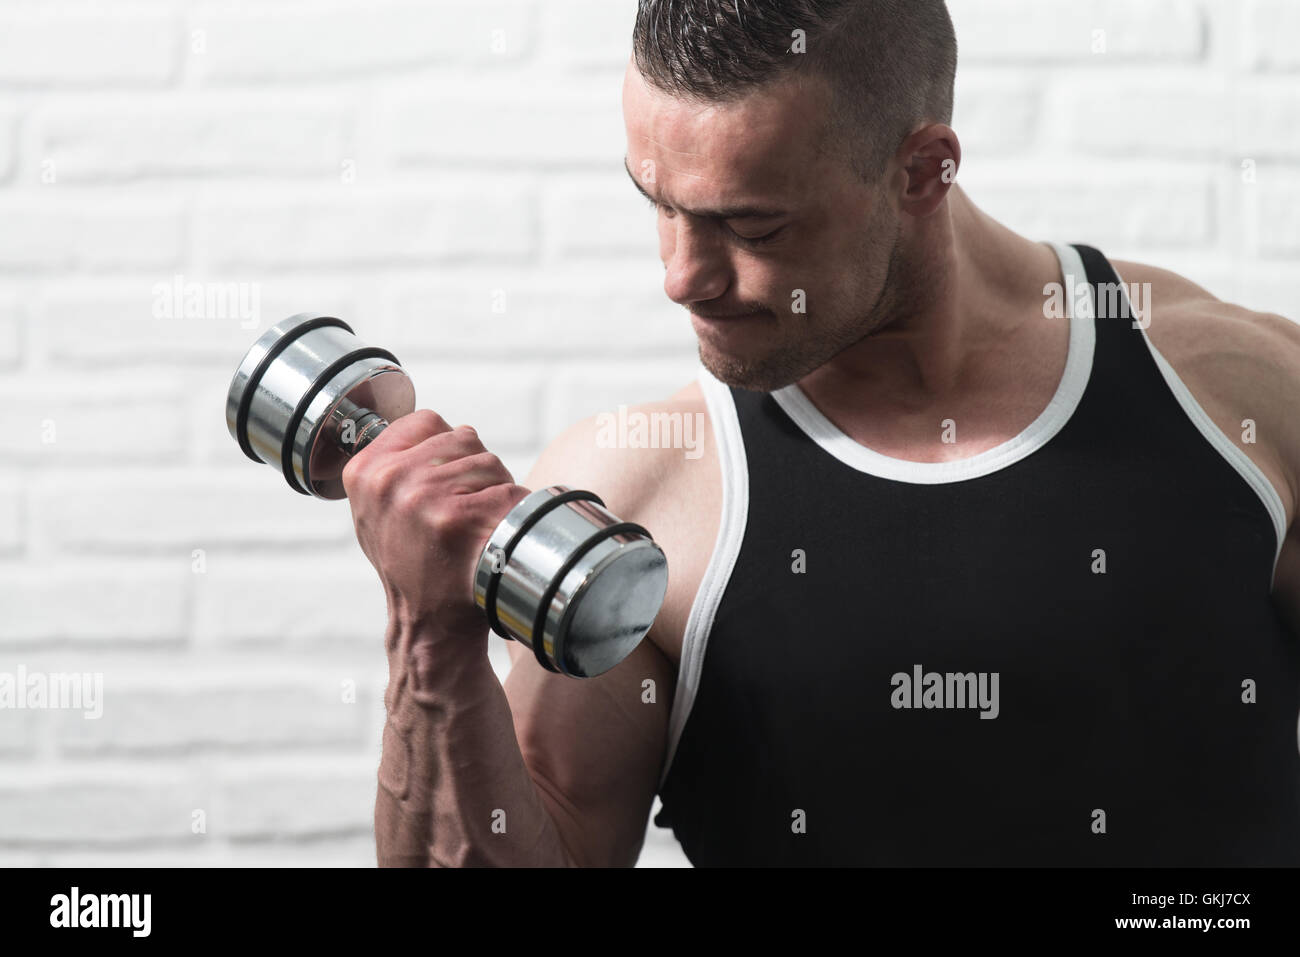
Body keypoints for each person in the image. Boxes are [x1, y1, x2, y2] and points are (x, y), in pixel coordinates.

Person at [341, 0, 1300, 866]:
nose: (681, 276)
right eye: (658, 204)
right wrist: (428, 636)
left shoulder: (1231, 393)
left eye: (750, 226)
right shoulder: (640, 494)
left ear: (924, 171)